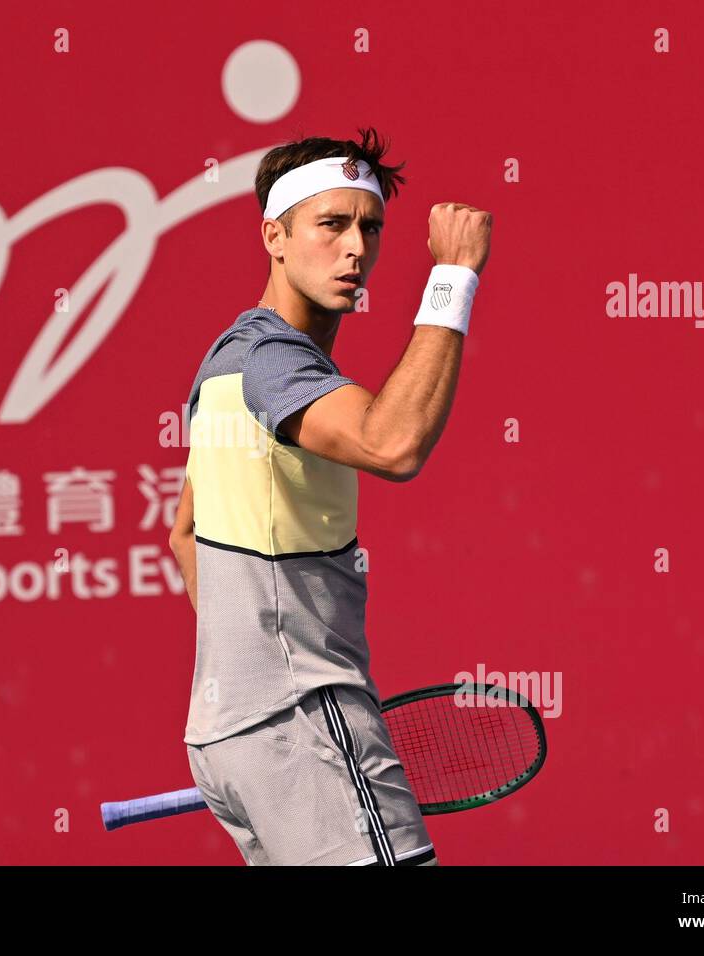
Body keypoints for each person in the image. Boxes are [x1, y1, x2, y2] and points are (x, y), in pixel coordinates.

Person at [167, 128, 492, 865]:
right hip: (306, 724)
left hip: (229, 741)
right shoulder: (274, 361)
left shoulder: (223, 362)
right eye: (331, 224)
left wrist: (250, 682)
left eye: (369, 227)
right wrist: (455, 277)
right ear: (273, 236)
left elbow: (185, 533)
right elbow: (393, 443)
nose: (356, 248)